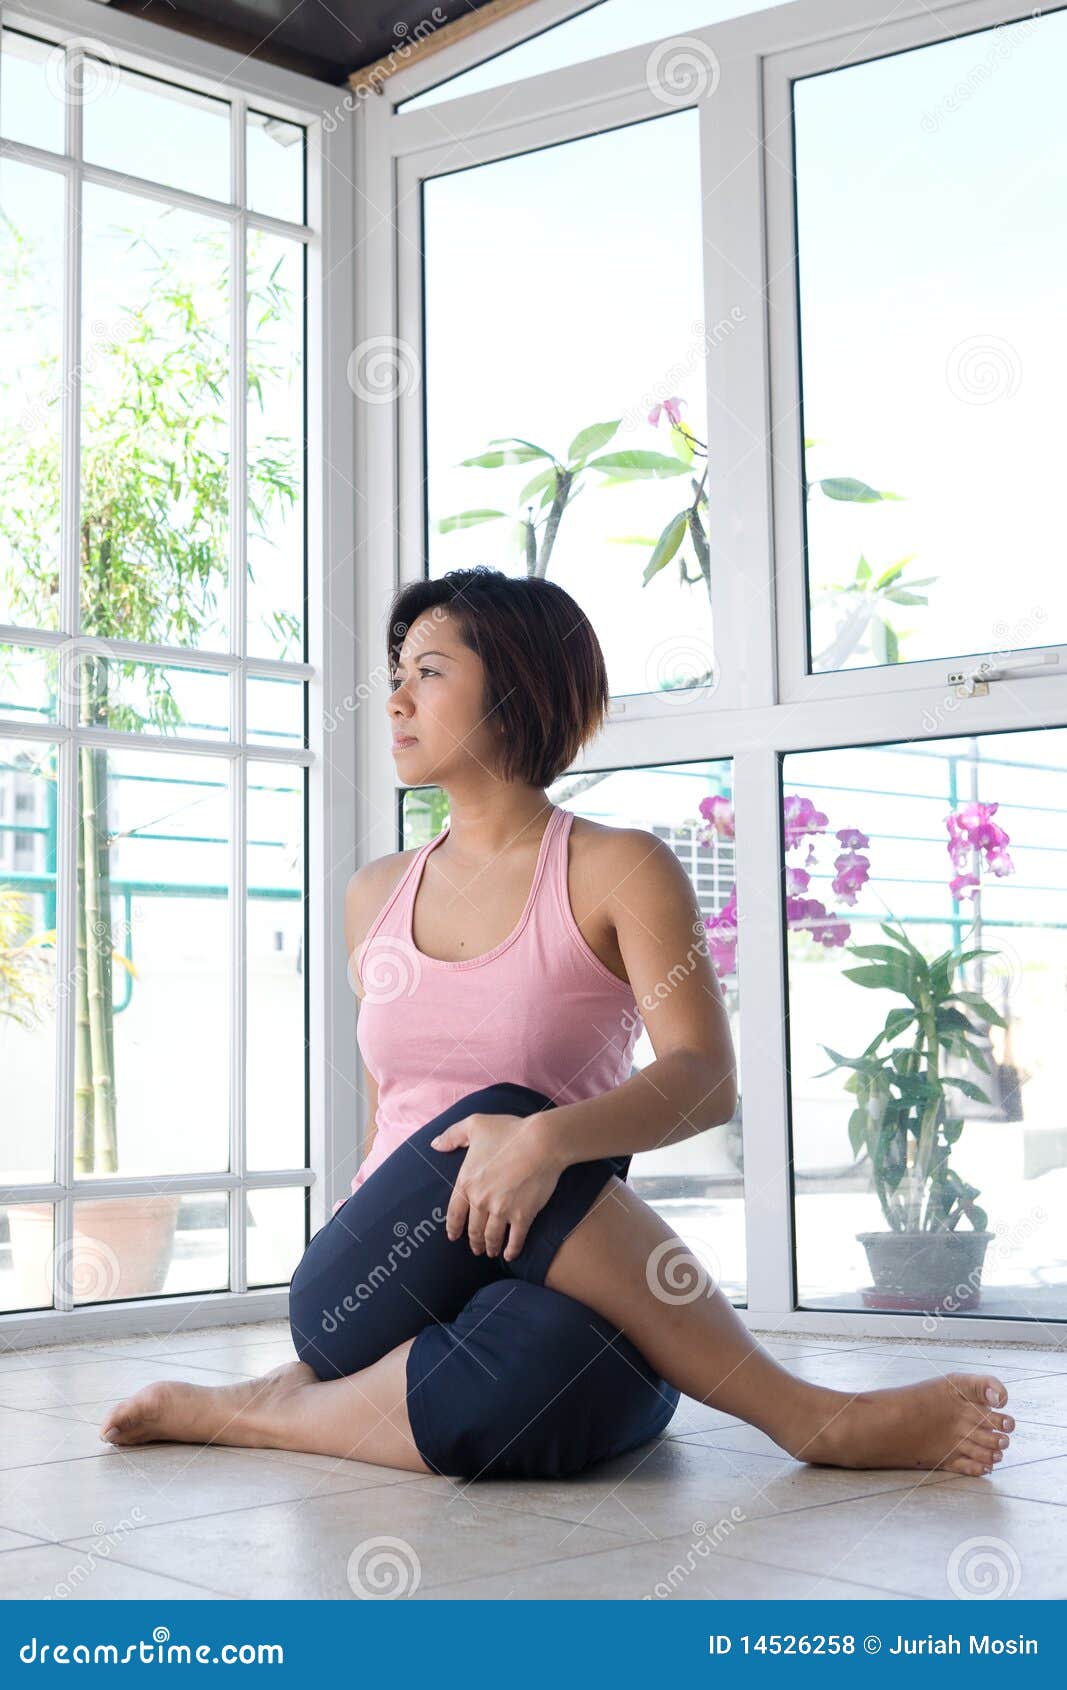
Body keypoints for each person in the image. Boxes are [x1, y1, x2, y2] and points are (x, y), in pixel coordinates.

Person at [100, 568, 1013, 1481]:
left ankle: (265, 1411)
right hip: (372, 1284)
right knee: (487, 1124)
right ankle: (813, 1419)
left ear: (517, 686)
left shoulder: (619, 868)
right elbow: (393, 1120)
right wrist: (520, 1139)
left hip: (550, 1274)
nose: (394, 700)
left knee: (550, 1367)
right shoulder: (374, 893)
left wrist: (547, 1144)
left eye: (428, 672)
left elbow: (703, 1076)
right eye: (396, 674)